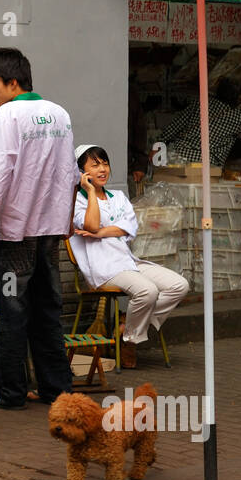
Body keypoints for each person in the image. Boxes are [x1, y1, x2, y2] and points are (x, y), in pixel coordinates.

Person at [0, 47, 75, 410]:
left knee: (12, 311)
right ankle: (56, 389)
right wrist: (65, 221)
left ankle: (11, 392)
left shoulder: (9, 115)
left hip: (16, 234)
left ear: (12, 83)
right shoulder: (59, 114)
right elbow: (69, 174)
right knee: (48, 310)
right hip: (49, 231)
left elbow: (0, 171)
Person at [71, 145, 189, 367]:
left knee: (179, 285)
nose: (102, 169)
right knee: (147, 290)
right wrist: (91, 192)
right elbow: (91, 223)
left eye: (104, 164)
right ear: (81, 173)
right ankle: (130, 342)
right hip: (103, 268)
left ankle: (128, 329)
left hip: (127, 262)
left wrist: (100, 233)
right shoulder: (77, 201)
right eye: (94, 165)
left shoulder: (119, 197)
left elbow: (128, 228)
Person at [159, 78, 241, 168]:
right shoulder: (240, 117)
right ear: (238, 96)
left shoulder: (200, 104)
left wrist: (158, 145)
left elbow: (175, 126)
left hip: (177, 155)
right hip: (205, 163)